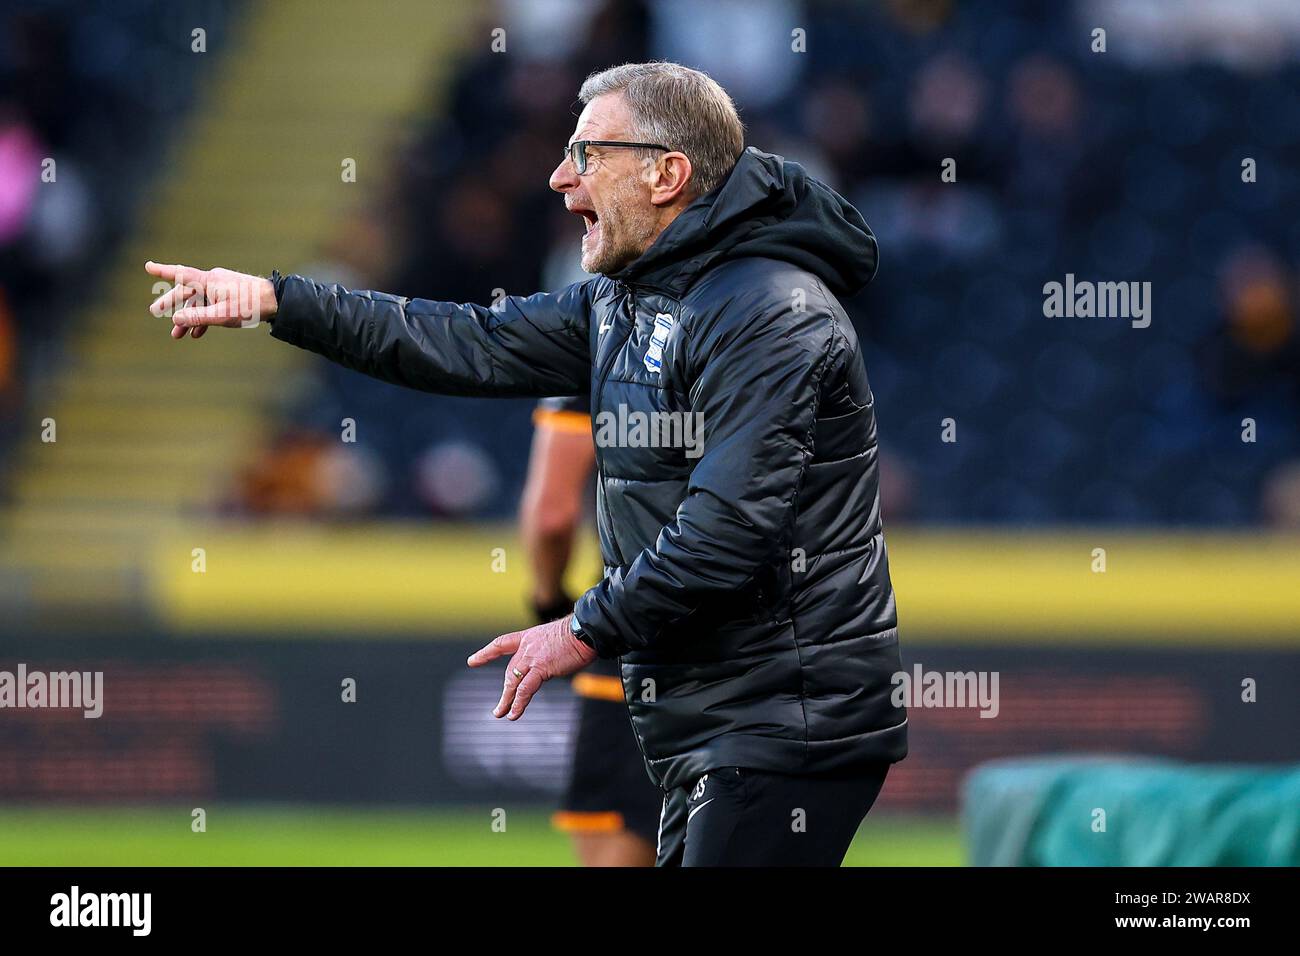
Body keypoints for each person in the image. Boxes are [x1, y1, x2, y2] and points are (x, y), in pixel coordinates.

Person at [145, 61, 907, 866]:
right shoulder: (626, 298)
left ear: (666, 174)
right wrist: (278, 301)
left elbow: (729, 528)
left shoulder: (768, 312)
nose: (558, 177)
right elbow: (461, 340)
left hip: (789, 718)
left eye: (586, 154)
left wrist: (580, 626)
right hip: (710, 721)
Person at [522, 394, 658, 867]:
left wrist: (551, 606)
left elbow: (552, 517)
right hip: (762, 648)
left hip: (636, 639)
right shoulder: (759, 342)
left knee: (618, 851)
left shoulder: (597, 351)